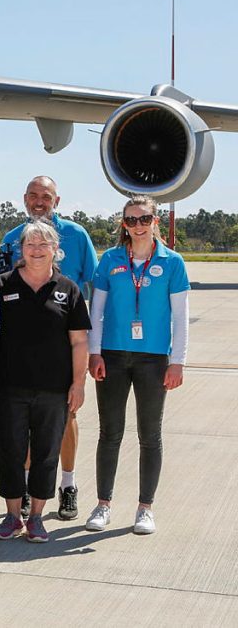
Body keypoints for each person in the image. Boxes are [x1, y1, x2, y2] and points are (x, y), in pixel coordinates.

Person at [84, 196, 189, 535]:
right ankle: (103, 504)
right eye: (131, 220)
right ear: (124, 224)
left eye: (144, 219)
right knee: (109, 433)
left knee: (150, 435)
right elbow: (96, 310)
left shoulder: (172, 262)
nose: (138, 225)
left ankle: (145, 508)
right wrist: (94, 353)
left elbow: (180, 317)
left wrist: (177, 361)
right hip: (112, 355)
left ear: (155, 221)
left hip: (153, 359)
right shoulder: (111, 259)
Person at [1, 176, 98, 520]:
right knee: (26, 425)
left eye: (46, 196)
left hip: (64, 347)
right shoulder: (12, 238)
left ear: (57, 201)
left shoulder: (77, 235)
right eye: (33, 196)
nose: (39, 201)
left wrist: (92, 350)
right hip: (22, 353)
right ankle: (28, 487)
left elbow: (94, 287)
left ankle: (67, 485)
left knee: (67, 418)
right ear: (25, 199)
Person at [0, 220, 89, 544]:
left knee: (46, 453)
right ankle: (12, 516)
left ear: (54, 249)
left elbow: (79, 341)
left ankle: (36, 518)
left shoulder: (68, 290)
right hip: (9, 387)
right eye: (30, 244)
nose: (36, 250)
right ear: (21, 249)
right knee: (10, 451)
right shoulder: (1, 285)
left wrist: (78, 384)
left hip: (54, 389)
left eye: (43, 244)